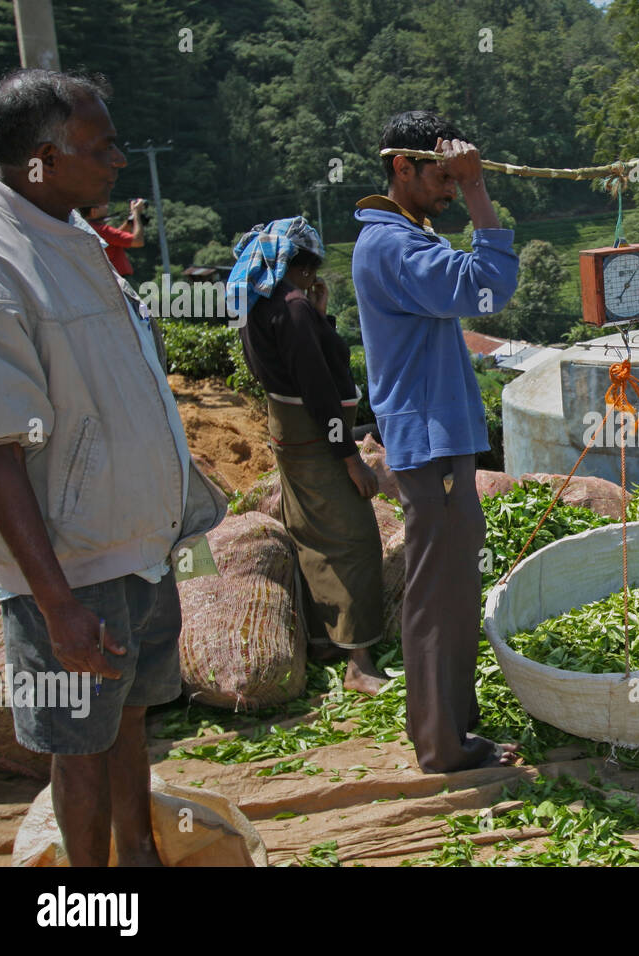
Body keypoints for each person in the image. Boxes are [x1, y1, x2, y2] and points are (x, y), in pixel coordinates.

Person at [0, 69, 227, 865]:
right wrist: (56, 606)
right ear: (42, 160)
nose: (120, 160)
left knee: (127, 720)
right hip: (71, 570)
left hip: (137, 552)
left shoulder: (79, 235)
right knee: (78, 750)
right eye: (103, 146)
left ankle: (140, 862)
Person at [351, 109, 519, 773]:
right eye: (444, 177)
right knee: (437, 596)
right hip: (428, 443)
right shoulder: (395, 247)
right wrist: (481, 193)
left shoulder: (404, 238)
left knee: (450, 592)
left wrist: (466, 185)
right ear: (402, 167)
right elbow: (490, 288)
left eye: (459, 180)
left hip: (434, 442)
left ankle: (454, 722)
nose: (451, 190)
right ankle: (442, 746)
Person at [228, 216, 389, 696]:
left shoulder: (263, 304)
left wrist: (320, 315)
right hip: (317, 437)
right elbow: (319, 391)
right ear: (302, 265)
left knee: (309, 532)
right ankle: (359, 661)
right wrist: (350, 459)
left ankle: (322, 639)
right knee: (352, 537)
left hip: (291, 435)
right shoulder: (293, 309)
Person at [80, 197, 145, 277]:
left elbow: (115, 238)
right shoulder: (102, 230)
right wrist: (136, 213)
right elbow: (138, 241)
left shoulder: (90, 229)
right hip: (118, 279)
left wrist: (130, 220)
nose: (106, 206)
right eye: (102, 205)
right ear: (93, 212)